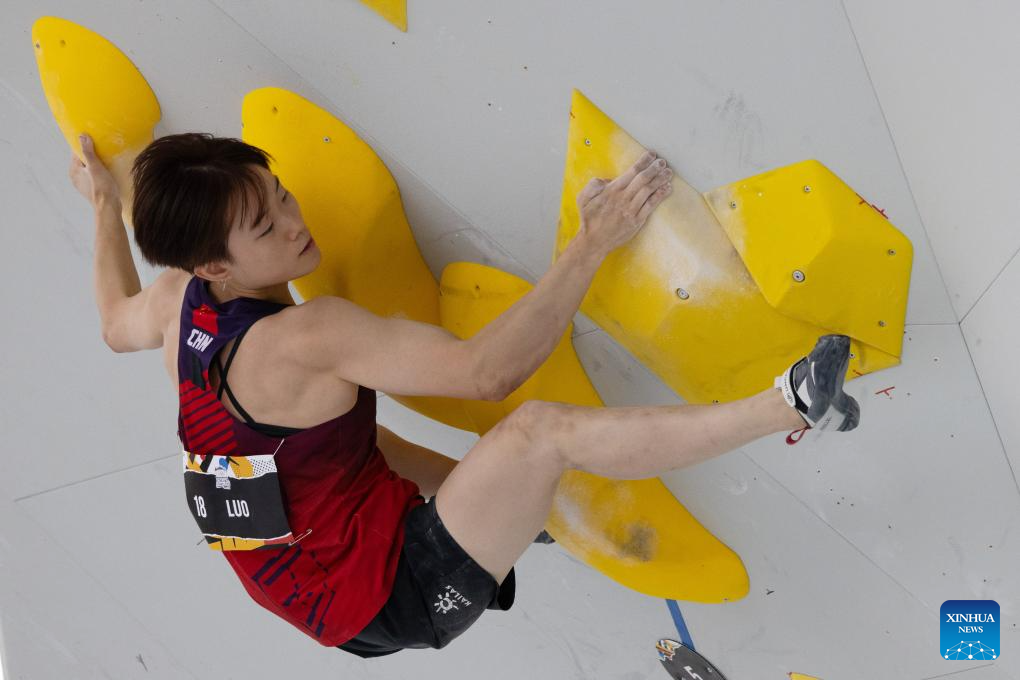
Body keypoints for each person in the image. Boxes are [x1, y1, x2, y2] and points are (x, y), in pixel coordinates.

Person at [70, 131, 860, 657]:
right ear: (213, 266)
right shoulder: (308, 338)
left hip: (305, 578)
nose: (292, 221)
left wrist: (104, 204)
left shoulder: (178, 303)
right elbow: (489, 372)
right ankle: (791, 404)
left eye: (279, 191)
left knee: (342, 440)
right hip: (391, 596)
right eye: (262, 224)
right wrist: (591, 244)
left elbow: (111, 320)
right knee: (539, 432)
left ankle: (513, 516)